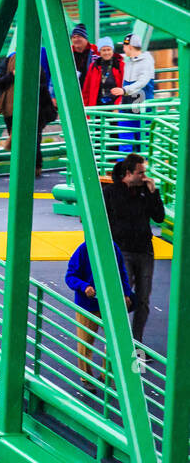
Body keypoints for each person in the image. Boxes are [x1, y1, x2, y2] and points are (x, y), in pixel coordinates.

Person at [103, 154, 165, 343]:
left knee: (143, 300)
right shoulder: (111, 192)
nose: (145, 176)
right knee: (123, 296)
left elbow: (159, 217)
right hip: (123, 251)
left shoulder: (145, 191)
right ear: (128, 173)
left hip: (145, 250)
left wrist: (154, 193)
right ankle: (120, 341)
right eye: (141, 172)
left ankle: (137, 341)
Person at [66, 240, 134, 386]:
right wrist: (84, 287)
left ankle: (106, 373)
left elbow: (122, 272)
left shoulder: (113, 247)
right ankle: (86, 377)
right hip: (88, 305)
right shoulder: (84, 250)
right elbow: (70, 277)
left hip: (109, 304)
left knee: (114, 341)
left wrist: (126, 293)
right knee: (86, 342)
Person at [0, 50, 55, 176]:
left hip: (20, 109)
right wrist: (12, 75)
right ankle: (32, 167)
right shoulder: (31, 62)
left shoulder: (14, 62)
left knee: (25, 139)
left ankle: (28, 167)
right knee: (33, 138)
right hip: (26, 108)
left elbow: (42, 86)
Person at [119, 33, 155, 152]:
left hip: (142, 108)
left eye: (124, 46)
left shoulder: (146, 61)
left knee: (143, 145)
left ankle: (140, 169)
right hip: (128, 106)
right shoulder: (128, 61)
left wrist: (124, 90)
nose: (123, 49)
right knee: (126, 143)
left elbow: (143, 82)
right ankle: (124, 169)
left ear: (130, 46)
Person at [82, 36, 124, 108]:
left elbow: (125, 88)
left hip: (115, 108)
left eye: (109, 49)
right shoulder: (93, 66)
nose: (106, 52)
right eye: (103, 50)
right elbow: (86, 90)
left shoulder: (120, 65)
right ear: (99, 52)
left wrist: (119, 107)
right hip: (96, 108)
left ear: (112, 51)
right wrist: (86, 110)